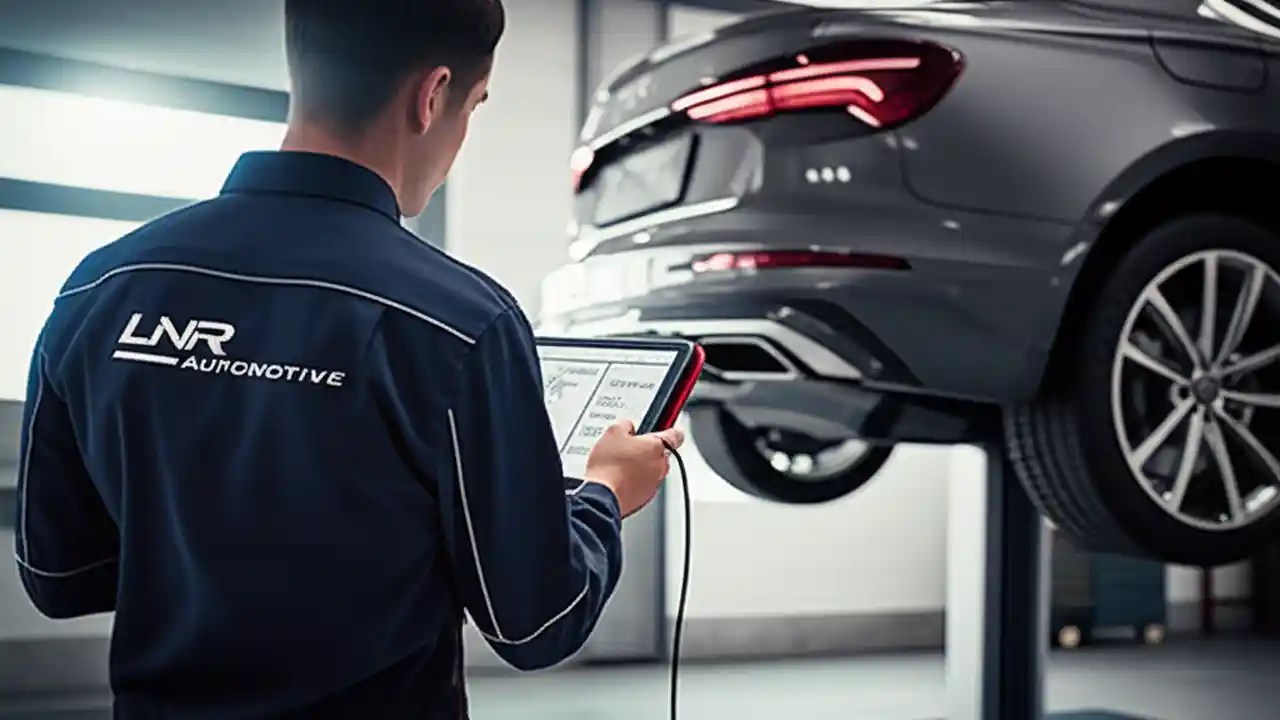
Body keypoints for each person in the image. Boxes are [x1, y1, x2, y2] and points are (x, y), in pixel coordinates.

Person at [12, 0, 683, 717]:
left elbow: (59, 575)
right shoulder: (460, 323)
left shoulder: (101, 284)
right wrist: (605, 494)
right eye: (474, 107)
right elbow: (536, 621)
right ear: (432, 97)